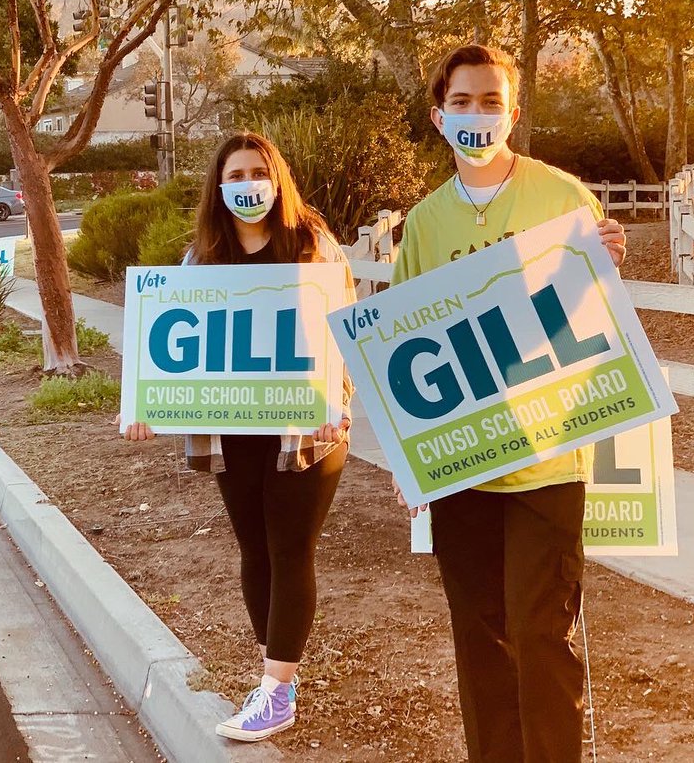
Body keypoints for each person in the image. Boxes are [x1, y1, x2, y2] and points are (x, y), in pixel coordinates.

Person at [391, 44, 627, 763]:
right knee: (481, 639)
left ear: (513, 114)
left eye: (491, 101)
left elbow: (600, 320)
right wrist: (412, 463)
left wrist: (609, 260)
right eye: (461, 102)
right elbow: (401, 344)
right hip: (462, 470)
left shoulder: (562, 198)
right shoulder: (424, 226)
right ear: (438, 117)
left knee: (540, 633)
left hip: (547, 465)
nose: (476, 114)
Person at [123, 132, 354, 743]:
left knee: (289, 549)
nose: (248, 184)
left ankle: (277, 692)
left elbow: (346, 329)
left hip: (306, 432)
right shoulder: (201, 262)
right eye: (236, 174)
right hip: (233, 434)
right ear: (218, 187)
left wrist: (338, 399)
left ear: (275, 180)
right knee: (254, 551)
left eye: (258, 172)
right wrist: (147, 405)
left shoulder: (311, 245)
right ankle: (275, 672)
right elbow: (173, 349)